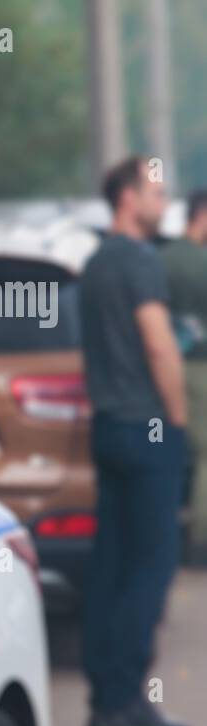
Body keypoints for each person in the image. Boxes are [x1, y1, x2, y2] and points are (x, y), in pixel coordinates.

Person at [79, 155, 189, 726]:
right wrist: (177, 423)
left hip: (108, 429)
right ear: (127, 197)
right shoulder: (141, 263)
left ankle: (104, 697)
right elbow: (159, 347)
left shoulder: (95, 263)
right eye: (156, 191)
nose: (165, 200)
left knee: (111, 564)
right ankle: (128, 698)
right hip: (148, 431)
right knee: (151, 566)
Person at [160, 189, 207, 564]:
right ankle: (200, 541)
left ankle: (168, 532)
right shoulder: (202, 262)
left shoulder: (162, 258)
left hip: (163, 365)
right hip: (200, 367)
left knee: (174, 449)